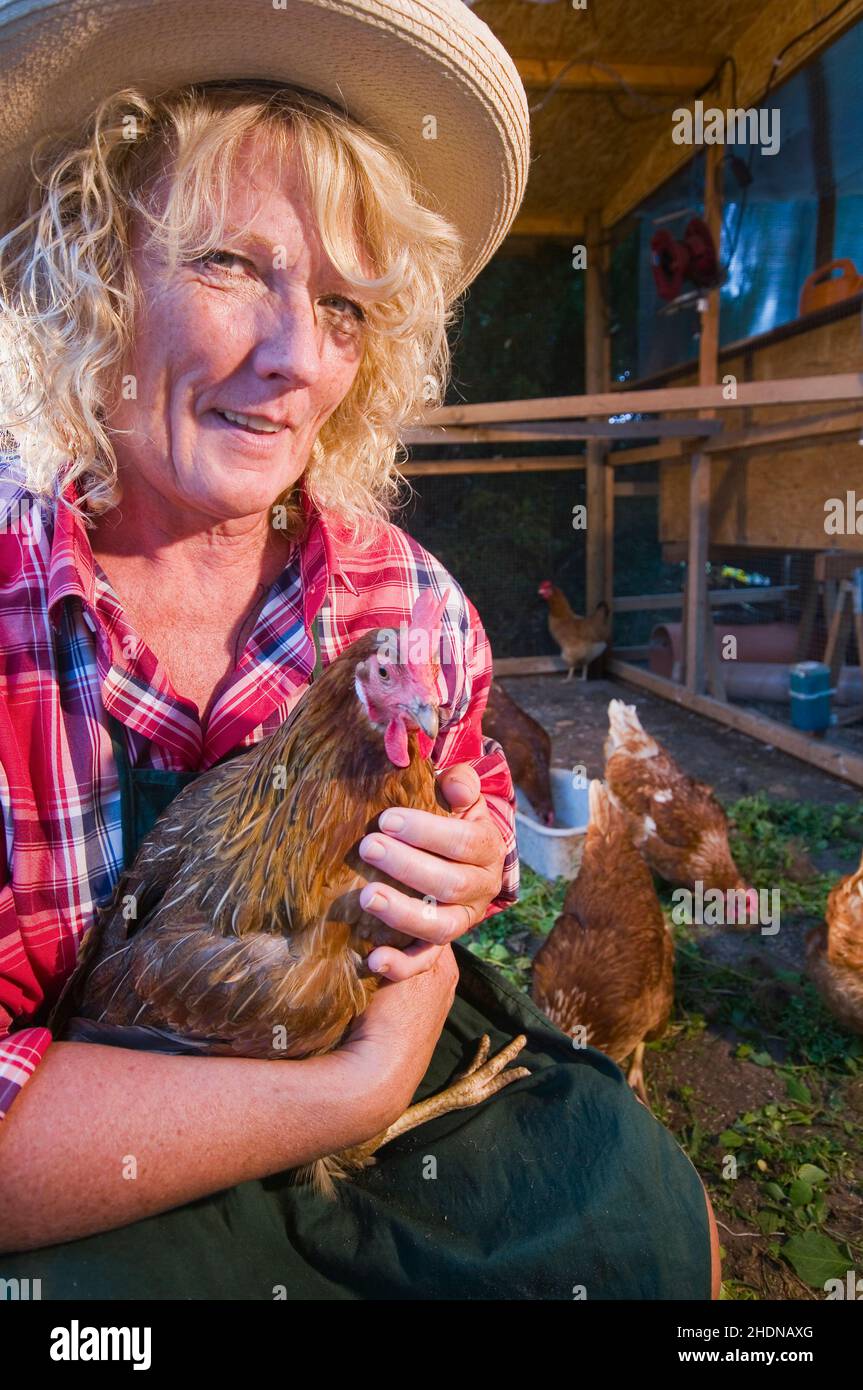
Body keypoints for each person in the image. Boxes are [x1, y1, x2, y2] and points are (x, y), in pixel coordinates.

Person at [0, 0, 719, 1298]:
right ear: (95, 267)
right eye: (227, 262)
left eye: (341, 304)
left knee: (645, 1214)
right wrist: (358, 1085)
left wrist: (478, 857)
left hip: (368, 1026)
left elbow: (476, 800)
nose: (292, 358)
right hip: (94, 1119)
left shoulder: (404, 594)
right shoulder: (13, 614)